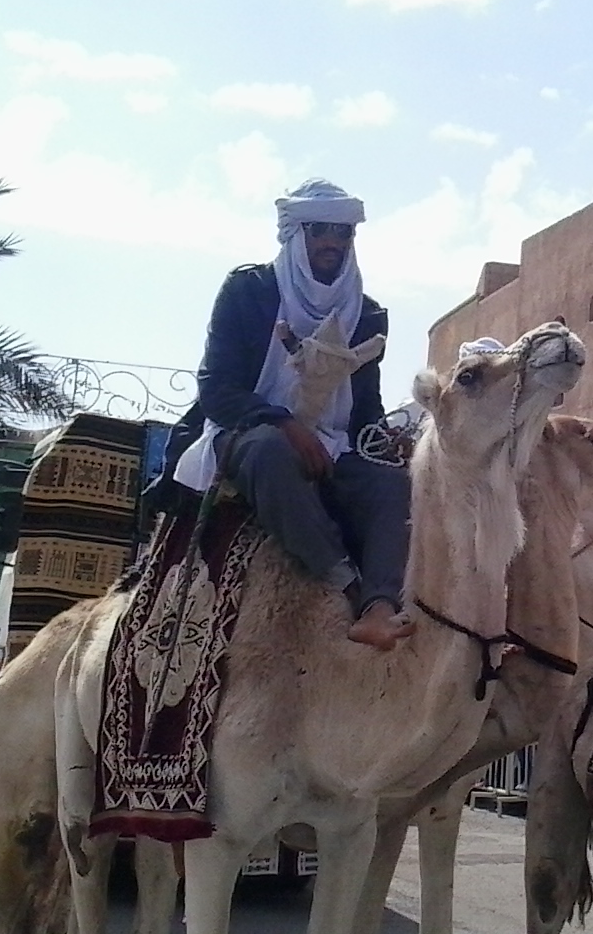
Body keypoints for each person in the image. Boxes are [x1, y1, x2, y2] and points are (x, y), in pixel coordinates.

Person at [160, 178, 413, 651]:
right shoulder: (248, 291)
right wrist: (284, 423)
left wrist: (386, 442)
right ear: (297, 235)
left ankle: (380, 604)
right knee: (270, 452)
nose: (333, 244)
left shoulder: (369, 314)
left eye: (343, 234)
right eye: (321, 231)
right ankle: (346, 585)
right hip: (247, 432)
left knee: (392, 482)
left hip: (332, 442)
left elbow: (365, 411)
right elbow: (218, 388)